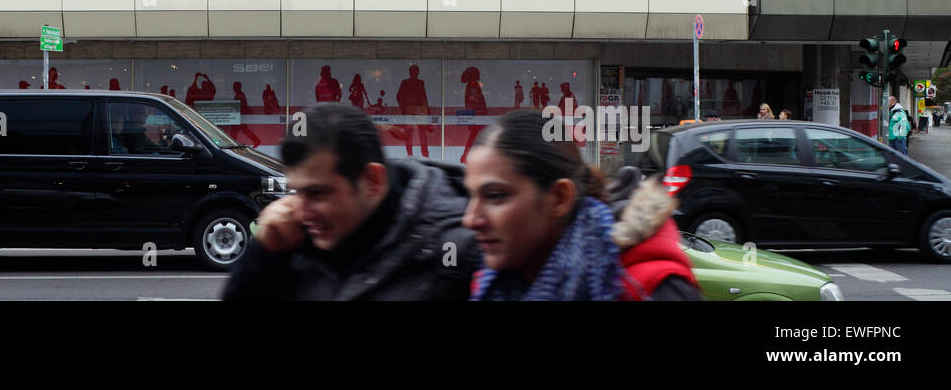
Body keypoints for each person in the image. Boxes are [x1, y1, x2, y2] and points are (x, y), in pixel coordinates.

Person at [221, 103, 479, 300]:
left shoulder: (458, 248)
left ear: (372, 181)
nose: (300, 211)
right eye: (296, 193)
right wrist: (263, 257)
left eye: (318, 194)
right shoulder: (290, 241)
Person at [464, 111, 701, 301]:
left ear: (559, 198)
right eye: (471, 195)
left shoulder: (649, 289)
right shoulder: (491, 282)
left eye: (495, 196)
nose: (471, 219)